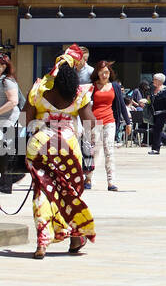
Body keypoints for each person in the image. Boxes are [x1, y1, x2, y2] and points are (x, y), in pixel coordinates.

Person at [24, 46, 96, 258]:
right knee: (69, 193)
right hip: (68, 147)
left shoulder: (38, 88)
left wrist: (12, 148)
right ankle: (75, 240)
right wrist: (95, 147)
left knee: (43, 191)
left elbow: (24, 119)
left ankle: (42, 242)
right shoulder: (80, 93)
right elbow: (91, 122)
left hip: (39, 145)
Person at [85, 60, 127, 192]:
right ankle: (88, 178)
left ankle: (111, 181)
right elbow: (84, 105)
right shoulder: (92, 87)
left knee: (109, 151)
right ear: (97, 73)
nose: (105, 75)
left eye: (107, 72)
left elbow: (121, 105)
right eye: (102, 72)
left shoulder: (114, 86)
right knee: (94, 151)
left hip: (110, 121)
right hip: (94, 122)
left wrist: (128, 122)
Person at [0, 52, 21, 193]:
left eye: (2, 65)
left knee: (6, 152)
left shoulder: (7, 81)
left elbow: (14, 101)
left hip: (9, 121)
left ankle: (7, 184)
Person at [147, 73, 166, 155]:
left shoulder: (165, 90)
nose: (153, 81)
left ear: (160, 81)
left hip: (163, 113)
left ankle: (156, 149)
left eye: (155, 79)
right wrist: (146, 101)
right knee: (156, 130)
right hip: (155, 113)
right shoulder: (153, 90)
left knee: (157, 130)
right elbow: (151, 101)